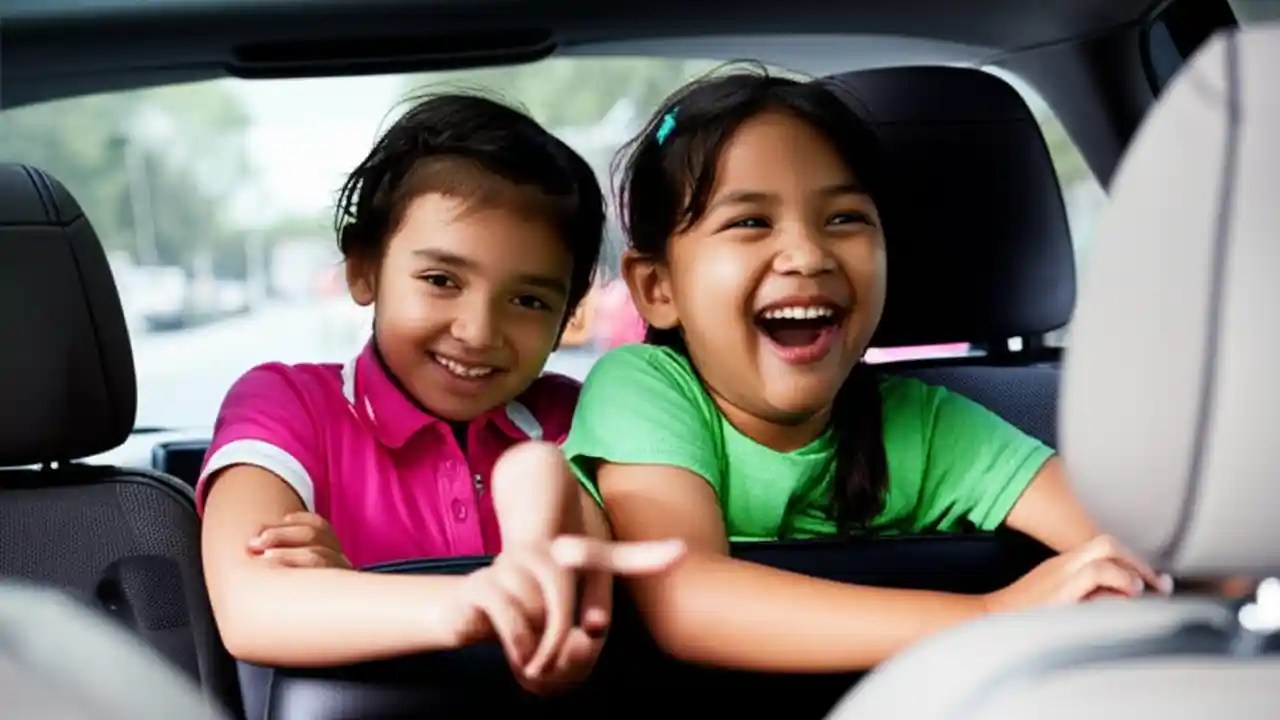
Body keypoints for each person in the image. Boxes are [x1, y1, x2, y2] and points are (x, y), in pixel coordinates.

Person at [557, 69, 1172, 673]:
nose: (808, 255)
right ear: (657, 286)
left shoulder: (923, 425)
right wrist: (992, 614)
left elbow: (1148, 549)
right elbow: (686, 597)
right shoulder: (642, 389)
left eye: (845, 218)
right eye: (750, 222)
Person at [196, 93, 683, 694]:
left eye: (528, 301)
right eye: (440, 280)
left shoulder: (578, 417)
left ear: (566, 318)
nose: (478, 332)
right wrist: (469, 604)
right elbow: (254, 605)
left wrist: (348, 595)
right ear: (363, 268)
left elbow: (585, 616)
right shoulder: (289, 404)